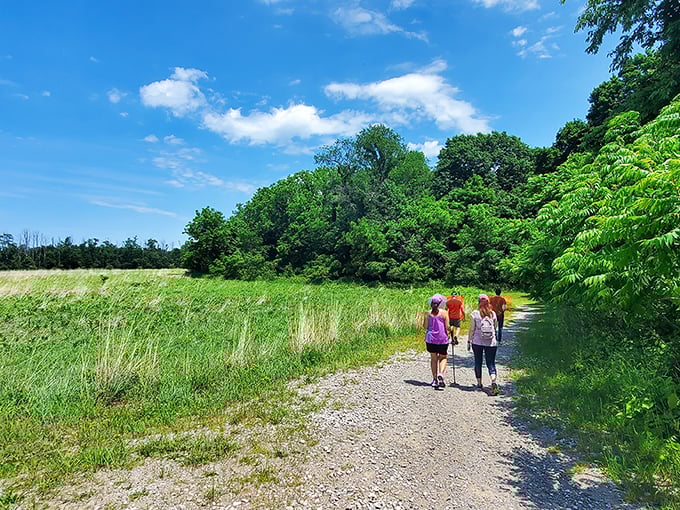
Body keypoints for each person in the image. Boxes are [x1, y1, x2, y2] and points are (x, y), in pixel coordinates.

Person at [468, 294, 499, 395]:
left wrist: (469, 340)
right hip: (491, 342)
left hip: (477, 342)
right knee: (491, 363)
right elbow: (495, 328)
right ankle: (493, 382)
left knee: (478, 361)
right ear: (488, 302)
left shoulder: (475, 314)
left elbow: (472, 329)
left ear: (478, 302)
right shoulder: (492, 313)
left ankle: (479, 383)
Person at [425, 295, 450, 389]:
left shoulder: (428, 313)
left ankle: (435, 379)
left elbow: (425, 326)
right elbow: (447, 327)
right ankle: (441, 373)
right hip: (442, 339)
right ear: (440, 303)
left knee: (434, 359)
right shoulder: (444, 313)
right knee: (443, 357)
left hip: (431, 339)